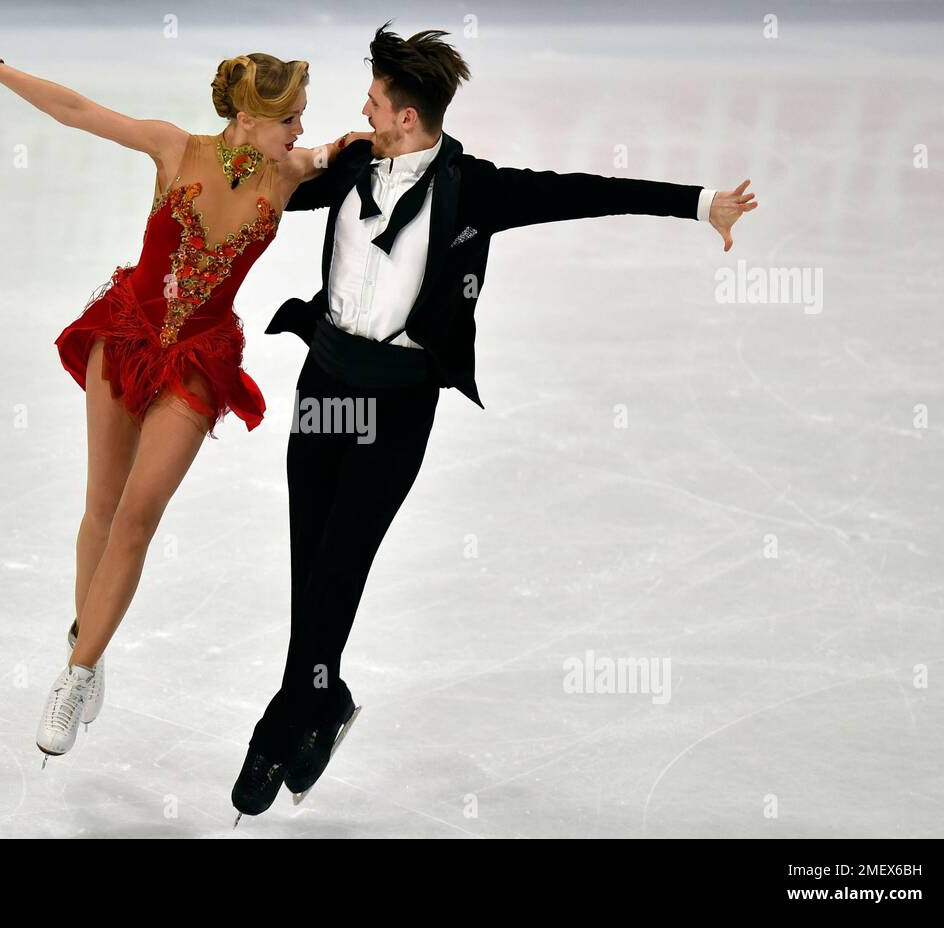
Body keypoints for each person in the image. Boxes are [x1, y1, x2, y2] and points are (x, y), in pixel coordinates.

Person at [231, 21, 758, 819]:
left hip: (398, 400)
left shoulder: (474, 190)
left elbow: (582, 192)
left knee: (343, 563)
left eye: (374, 102)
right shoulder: (350, 164)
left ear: (409, 115)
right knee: (311, 559)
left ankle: (284, 717)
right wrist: (232, 140)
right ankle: (323, 699)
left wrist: (699, 204)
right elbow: (263, 184)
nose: (363, 111)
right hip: (324, 381)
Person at [0, 28, 370, 763]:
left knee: (137, 516)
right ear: (251, 118)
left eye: (302, 118)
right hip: (128, 333)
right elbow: (79, 110)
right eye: (292, 115)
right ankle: (92, 643)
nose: (302, 127)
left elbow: (349, 152)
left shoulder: (290, 172)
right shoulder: (176, 148)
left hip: (198, 362)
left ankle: (73, 675)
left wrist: (372, 137)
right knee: (101, 506)